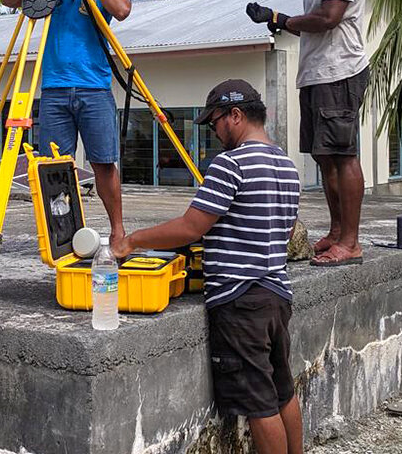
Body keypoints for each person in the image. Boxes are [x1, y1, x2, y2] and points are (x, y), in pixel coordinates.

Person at [112, 80, 303, 454]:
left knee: (259, 404)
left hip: (240, 300)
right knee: (282, 391)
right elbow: (282, 229)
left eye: (214, 122)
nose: (214, 132)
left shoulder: (231, 164)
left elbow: (191, 226)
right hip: (277, 295)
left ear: (235, 115)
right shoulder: (286, 164)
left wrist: (132, 241)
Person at [245, 0, 369, 267]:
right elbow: (310, 20)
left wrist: (283, 18)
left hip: (339, 72)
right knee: (325, 157)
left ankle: (351, 243)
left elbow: (329, 17)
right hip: (317, 74)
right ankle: (335, 233)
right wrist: (275, 19)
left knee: (343, 155)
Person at [1, 0, 132, 249]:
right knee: (55, 169)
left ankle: (117, 231)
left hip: (95, 85)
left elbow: (121, 9)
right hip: (55, 87)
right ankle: (64, 236)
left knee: (104, 163)